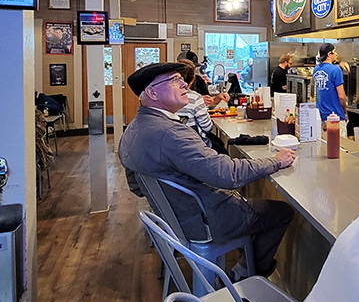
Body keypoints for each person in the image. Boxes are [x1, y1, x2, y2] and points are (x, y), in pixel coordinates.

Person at [118, 62, 296, 280]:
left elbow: (136, 187)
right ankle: (243, 277)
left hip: (174, 218)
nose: (184, 83)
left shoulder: (133, 129)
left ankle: (244, 262)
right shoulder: (170, 133)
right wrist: (276, 161)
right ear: (152, 93)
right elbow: (228, 175)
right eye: (174, 80)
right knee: (281, 212)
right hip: (202, 220)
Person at [313, 43, 348, 137]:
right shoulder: (336, 70)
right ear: (329, 54)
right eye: (335, 52)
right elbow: (341, 96)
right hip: (335, 116)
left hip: (321, 116)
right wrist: (345, 111)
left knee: (325, 146)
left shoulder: (316, 69)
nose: (336, 54)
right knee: (340, 147)